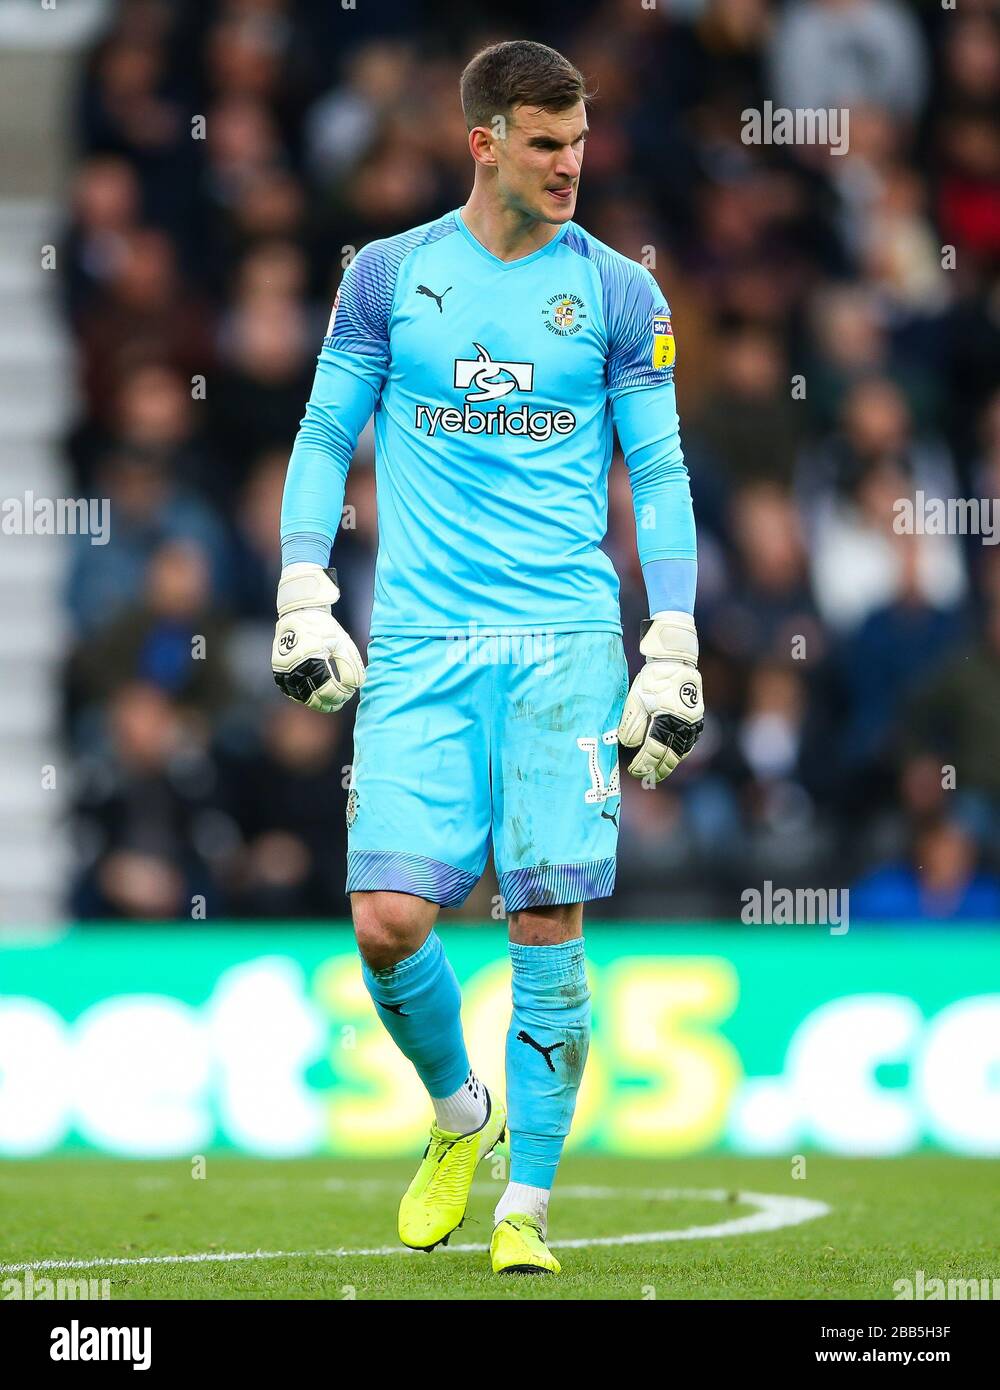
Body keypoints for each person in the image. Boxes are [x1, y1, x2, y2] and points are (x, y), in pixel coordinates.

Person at [271, 40, 702, 1276]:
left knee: (544, 918)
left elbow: (658, 471)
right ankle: (462, 1111)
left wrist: (669, 634)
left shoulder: (623, 293)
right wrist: (304, 580)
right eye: (546, 143)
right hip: (420, 642)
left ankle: (529, 1209)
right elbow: (323, 429)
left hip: (565, 643)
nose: (573, 164)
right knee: (389, 922)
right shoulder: (388, 277)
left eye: (580, 141)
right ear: (484, 142)